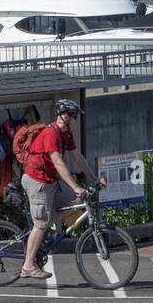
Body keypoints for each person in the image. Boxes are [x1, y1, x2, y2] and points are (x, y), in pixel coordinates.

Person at [20, 99, 101, 279]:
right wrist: (75, 185)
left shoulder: (66, 133)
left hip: (49, 180)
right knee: (40, 224)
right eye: (73, 117)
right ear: (64, 117)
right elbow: (58, 162)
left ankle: (47, 229)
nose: (75, 121)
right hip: (37, 181)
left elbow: (77, 156)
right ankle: (28, 266)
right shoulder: (50, 134)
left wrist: (93, 178)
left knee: (75, 200)